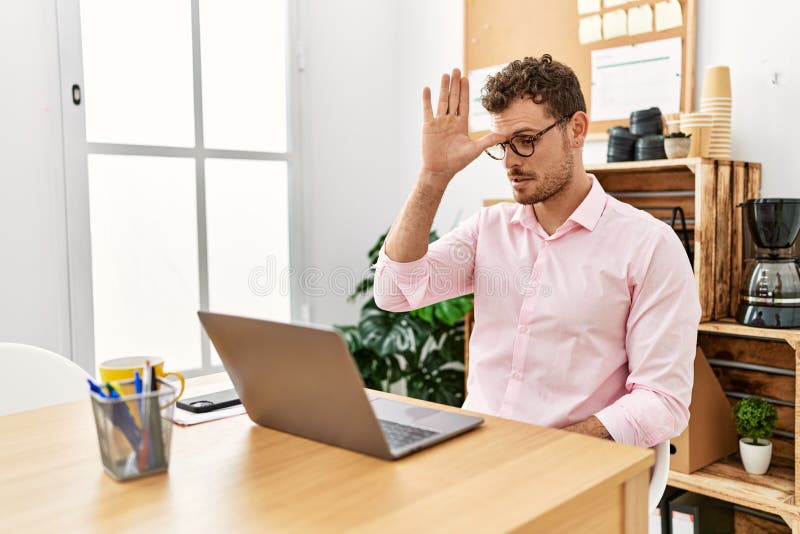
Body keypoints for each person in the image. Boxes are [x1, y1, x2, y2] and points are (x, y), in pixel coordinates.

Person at [372, 55, 700, 448]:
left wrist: (542, 452)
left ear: (576, 130)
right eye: (503, 145)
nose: (510, 162)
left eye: (526, 140)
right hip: (477, 453)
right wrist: (433, 175)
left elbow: (662, 401)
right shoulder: (489, 228)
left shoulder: (649, 246)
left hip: (572, 462)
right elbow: (395, 292)